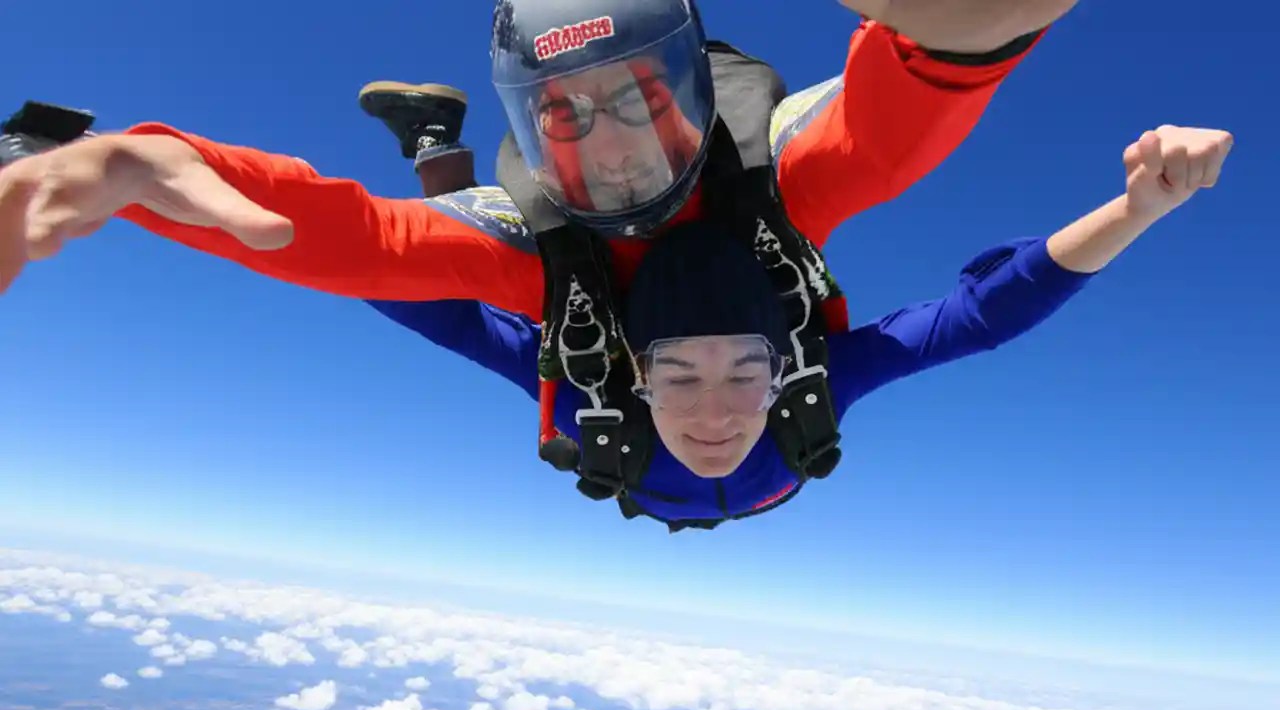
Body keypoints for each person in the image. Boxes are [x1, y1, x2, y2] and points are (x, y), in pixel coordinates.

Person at [0, 0, 1077, 497]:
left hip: (570, 351)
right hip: (557, 312)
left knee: (439, 284)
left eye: (634, 102)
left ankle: (435, 137)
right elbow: (353, 240)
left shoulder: (779, 194)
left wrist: (959, 25)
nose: (605, 151)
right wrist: (143, 166)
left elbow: (901, 116)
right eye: (559, 120)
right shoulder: (545, 261)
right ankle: (436, 140)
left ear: (696, 94)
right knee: (437, 264)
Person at [367, 124, 1234, 530]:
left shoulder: (809, 380)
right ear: (634, 367)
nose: (716, 416)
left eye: (747, 370)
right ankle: (436, 141)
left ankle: (437, 141)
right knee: (475, 254)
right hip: (669, 486)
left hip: (660, 491)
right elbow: (421, 286)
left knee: (467, 272)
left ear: (784, 363)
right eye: (677, 374)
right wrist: (259, 222)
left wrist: (1137, 208)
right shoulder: (593, 376)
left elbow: (979, 316)